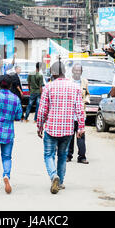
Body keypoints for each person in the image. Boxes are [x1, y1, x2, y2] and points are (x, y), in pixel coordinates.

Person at [37, 61, 85, 194]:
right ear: (64, 72)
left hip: (51, 128)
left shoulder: (48, 87)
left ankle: (54, 176)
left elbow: (42, 110)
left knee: (49, 154)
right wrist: (81, 127)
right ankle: (61, 181)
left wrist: (40, 126)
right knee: (63, 155)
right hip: (68, 129)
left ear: (52, 73)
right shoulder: (75, 87)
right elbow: (80, 109)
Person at [67, 64, 90, 164]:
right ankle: (68, 155)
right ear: (72, 71)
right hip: (70, 115)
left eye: (79, 70)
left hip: (81, 114)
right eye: (75, 70)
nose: (77, 72)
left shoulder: (84, 82)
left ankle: (82, 157)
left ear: (81, 71)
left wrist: (86, 100)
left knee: (81, 136)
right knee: (70, 137)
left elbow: (87, 94)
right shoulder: (68, 81)